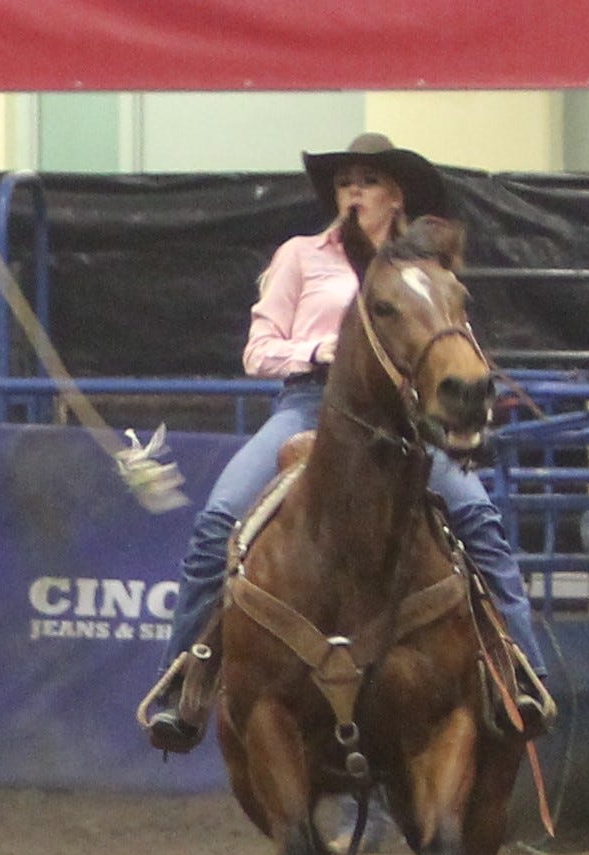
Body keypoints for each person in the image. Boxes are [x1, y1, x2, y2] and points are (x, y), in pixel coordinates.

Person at [144, 133, 554, 753]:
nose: (352, 192)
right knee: (219, 520)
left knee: (476, 514)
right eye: (344, 182)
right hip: (311, 406)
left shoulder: (422, 273)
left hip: (406, 418)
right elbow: (257, 350)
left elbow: (450, 344)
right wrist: (320, 350)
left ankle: (519, 670)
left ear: (397, 196)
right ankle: (184, 680)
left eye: (367, 180)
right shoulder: (301, 257)